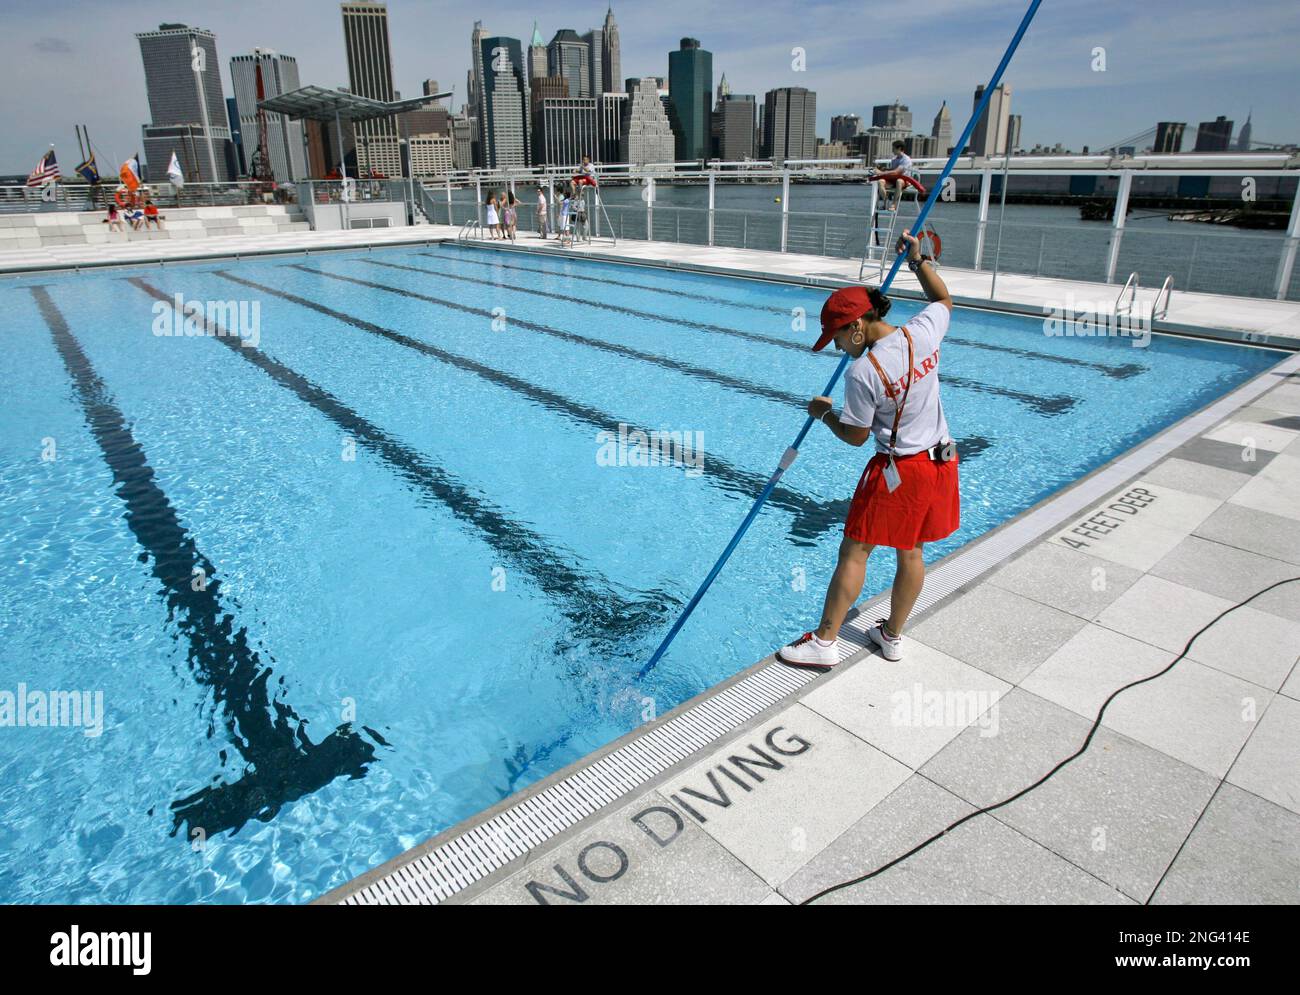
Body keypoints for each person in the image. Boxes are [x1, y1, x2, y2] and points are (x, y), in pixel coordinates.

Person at [777, 230, 958, 670]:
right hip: (941, 461)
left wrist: (823, 414)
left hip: (900, 470)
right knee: (911, 552)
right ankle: (891, 636)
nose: (837, 347)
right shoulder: (923, 332)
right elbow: (944, 301)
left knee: (855, 551)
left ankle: (824, 643)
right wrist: (918, 262)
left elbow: (857, 436)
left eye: (838, 337)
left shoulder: (864, 372)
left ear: (857, 326)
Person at [877, 140, 914, 209]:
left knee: (899, 181)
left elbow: (897, 172)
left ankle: (894, 204)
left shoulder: (906, 159)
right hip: (893, 179)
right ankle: (886, 203)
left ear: (899, 148)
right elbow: (892, 170)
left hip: (904, 180)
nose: (892, 150)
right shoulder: (894, 159)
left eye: (893, 148)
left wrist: (881, 173)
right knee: (880, 181)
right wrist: (884, 169)